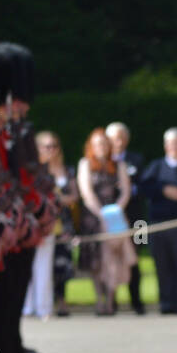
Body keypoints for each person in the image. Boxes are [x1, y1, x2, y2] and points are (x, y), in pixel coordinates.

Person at [77, 127, 134, 315]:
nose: (101, 147)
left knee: (113, 258)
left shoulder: (119, 165)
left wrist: (115, 211)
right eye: (98, 144)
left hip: (115, 217)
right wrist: (101, 214)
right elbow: (87, 193)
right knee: (96, 260)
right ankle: (99, 298)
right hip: (93, 218)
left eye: (104, 143)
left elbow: (125, 191)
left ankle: (110, 300)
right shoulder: (85, 164)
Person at [139, 128, 177, 313]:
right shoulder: (156, 166)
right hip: (158, 224)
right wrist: (164, 190)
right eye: (170, 144)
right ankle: (166, 302)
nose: (174, 147)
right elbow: (144, 187)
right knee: (162, 265)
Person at [35, 130, 77, 317]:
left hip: (63, 223)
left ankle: (59, 301)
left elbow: (74, 196)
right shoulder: (36, 170)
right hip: (42, 222)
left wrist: (58, 198)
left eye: (54, 146)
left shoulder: (66, 170)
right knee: (41, 265)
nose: (51, 150)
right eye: (46, 146)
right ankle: (40, 304)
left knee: (62, 264)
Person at [107, 121, 146, 315]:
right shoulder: (103, 162)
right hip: (112, 220)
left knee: (135, 258)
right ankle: (110, 302)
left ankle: (136, 301)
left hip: (137, 219)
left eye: (121, 137)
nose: (119, 142)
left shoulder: (137, 159)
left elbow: (143, 186)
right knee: (111, 259)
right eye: (115, 138)